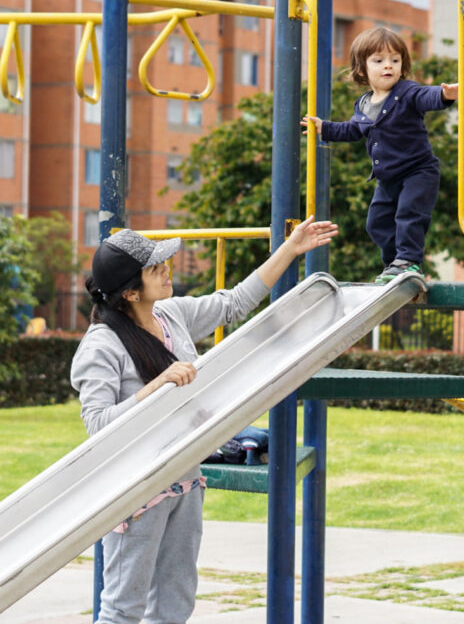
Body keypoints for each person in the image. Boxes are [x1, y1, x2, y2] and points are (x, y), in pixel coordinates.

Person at [70, 216, 337, 624]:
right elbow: (98, 427)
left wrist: (290, 248)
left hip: (185, 482)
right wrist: (155, 387)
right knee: (123, 609)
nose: (166, 270)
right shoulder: (102, 345)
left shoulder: (171, 316)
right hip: (137, 493)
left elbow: (234, 303)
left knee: (175, 606)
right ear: (129, 292)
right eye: (154, 268)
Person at [302, 26, 458, 284]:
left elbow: (426, 96)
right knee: (376, 222)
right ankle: (394, 264)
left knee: (408, 214)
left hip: (418, 171)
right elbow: (353, 129)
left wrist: (444, 94)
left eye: (395, 60)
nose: (388, 66)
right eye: (379, 60)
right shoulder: (364, 104)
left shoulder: (408, 92)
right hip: (388, 178)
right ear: (362, 69)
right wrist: (324, 128)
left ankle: (409, 261)